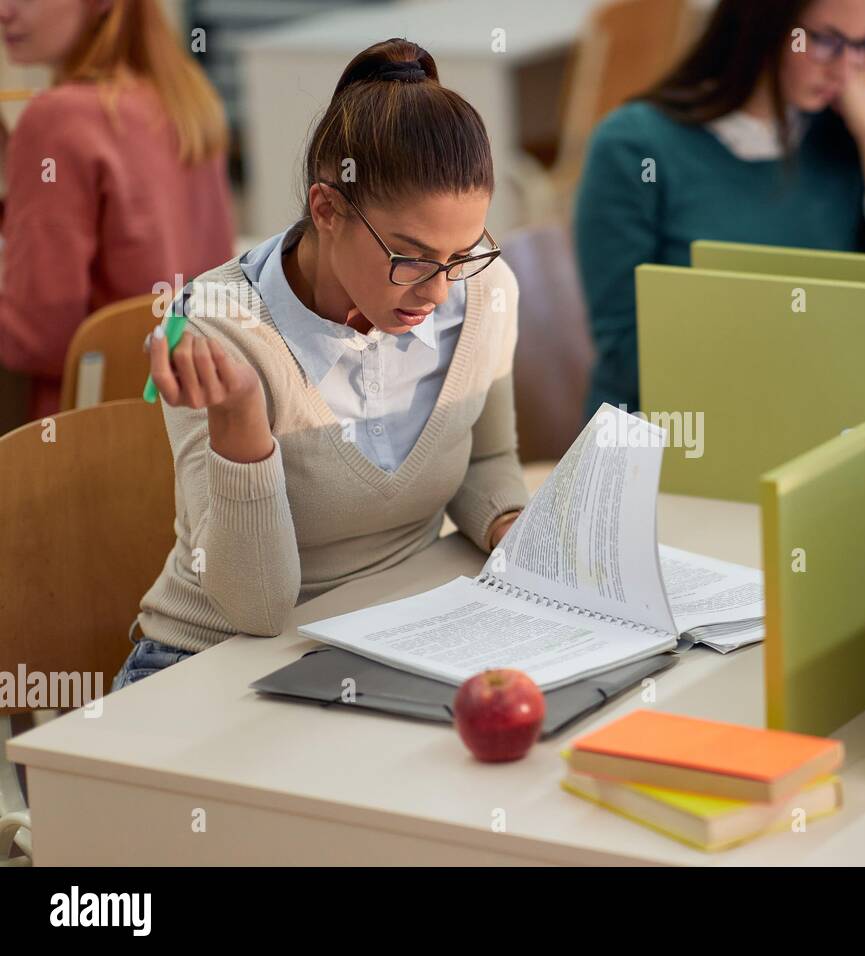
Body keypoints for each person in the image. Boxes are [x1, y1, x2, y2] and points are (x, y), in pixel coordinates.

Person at [110, 38, 527, 690]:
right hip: (210, 665)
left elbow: (485, 459)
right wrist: (243, 417)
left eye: (463, 253)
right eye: (412, 257)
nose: (440, 290)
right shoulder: (220, 329)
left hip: (387, 637)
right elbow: (258, 607)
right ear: (328, 209)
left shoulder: (486, 293)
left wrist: (512, 525)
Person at [575, 0, 865, 414]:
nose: (846, 73)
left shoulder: (843, 132)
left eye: (864, 47)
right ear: (761, 22)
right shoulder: (634, 147)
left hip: (813, 421)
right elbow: (630, 353)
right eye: (826, 41)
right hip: (668, 436)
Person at [0, 0, 234, 419]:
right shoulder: (188, 102)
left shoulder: (55, 119)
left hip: (76, 442)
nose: (4, 10)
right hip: (178, 431)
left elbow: (37, 337)